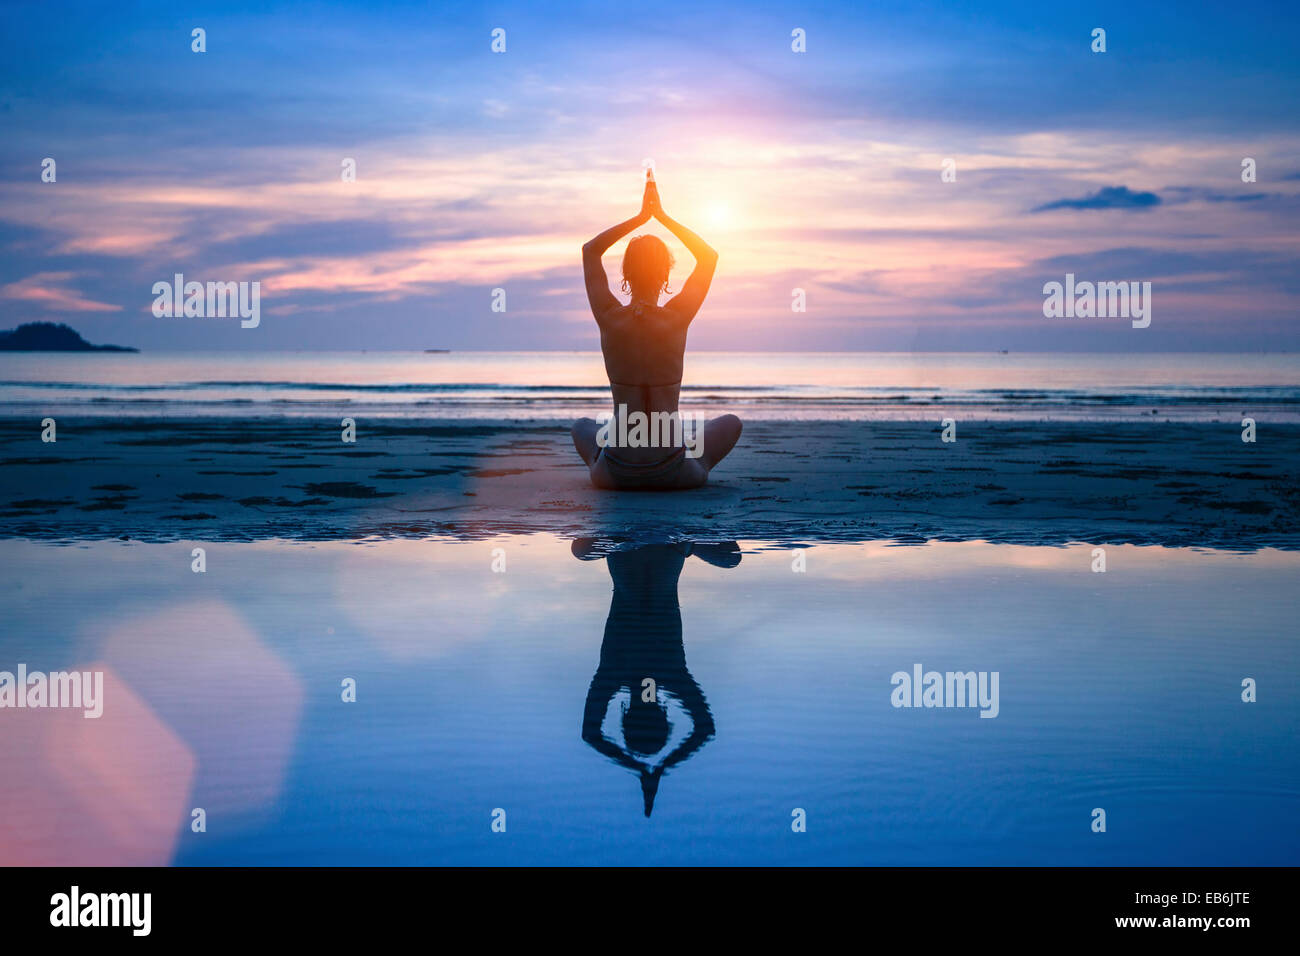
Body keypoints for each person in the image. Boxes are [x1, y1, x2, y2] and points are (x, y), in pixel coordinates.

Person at [572, 172, 742, 489]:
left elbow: (591, 250)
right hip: (671, 470)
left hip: (615, 474)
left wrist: (640, 218)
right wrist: (662, 217)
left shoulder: (609, 316)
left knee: (581, 426)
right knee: (731, 423)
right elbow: (708, 256)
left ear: (624, 273)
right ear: (666, 274)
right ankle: (688, 455)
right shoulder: (677, 316)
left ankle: (602, 459)